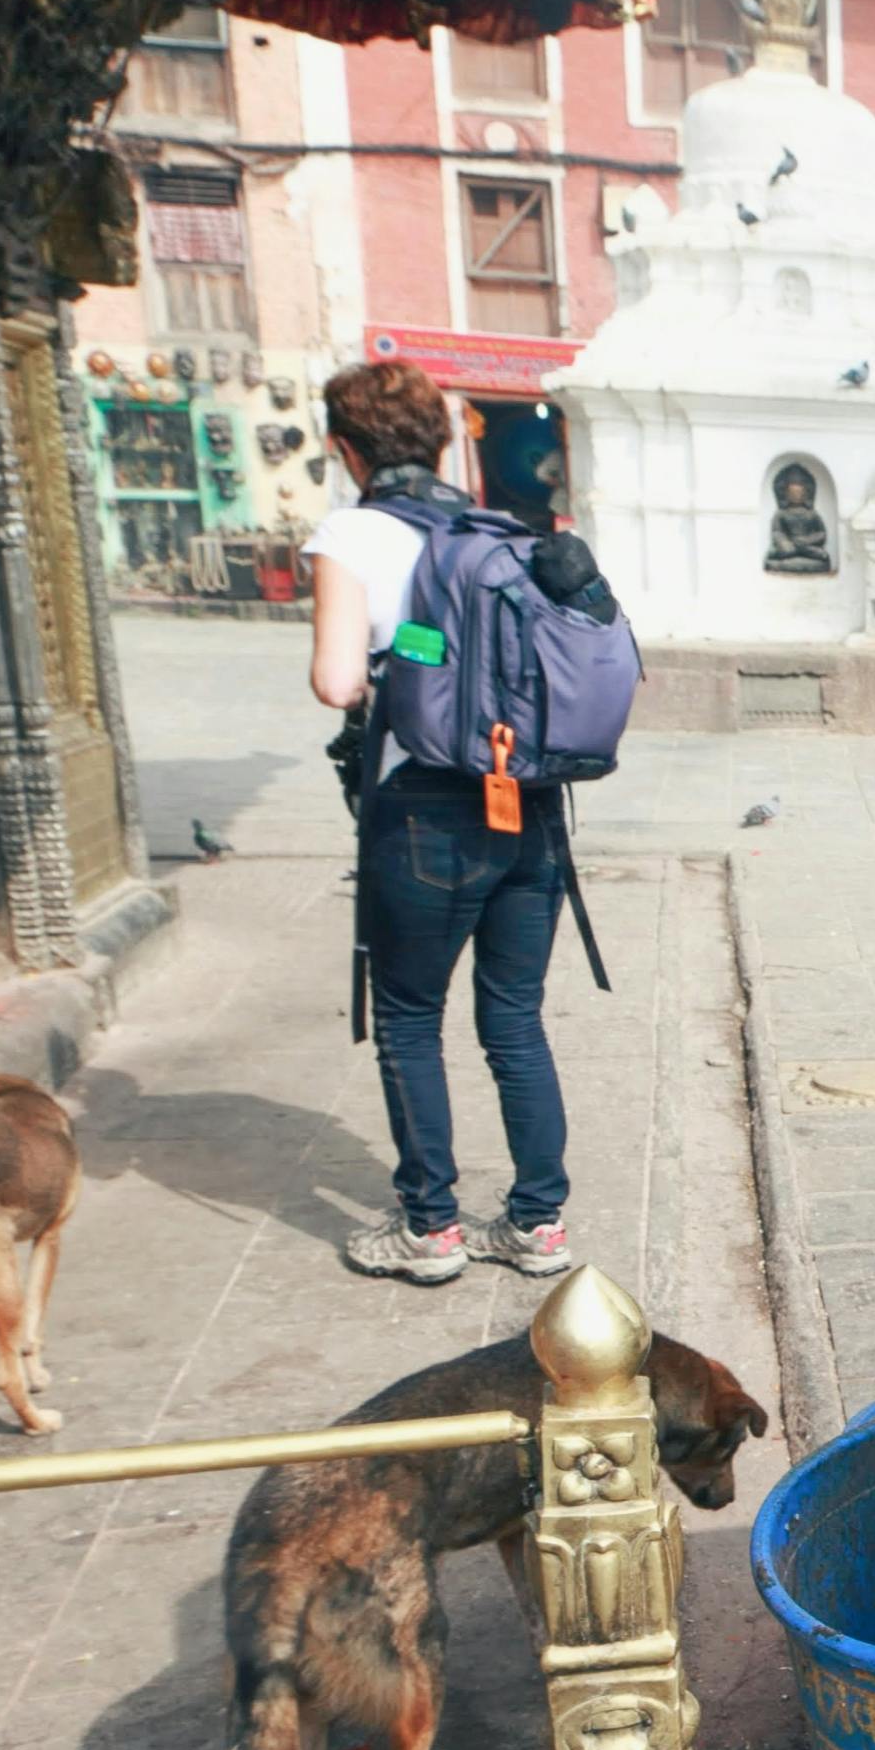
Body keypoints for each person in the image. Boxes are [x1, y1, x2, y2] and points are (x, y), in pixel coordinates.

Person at [303, 359, 577, 1285]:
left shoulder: (352, 533)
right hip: (530, 806)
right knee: (516, 1021)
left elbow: (338, 681)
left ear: (347, 450)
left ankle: (433, 1229)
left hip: (423, 810)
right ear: (442, 441)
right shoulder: (496, 528)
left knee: (412, 1020)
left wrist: (396, 662)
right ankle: (538, 1225)